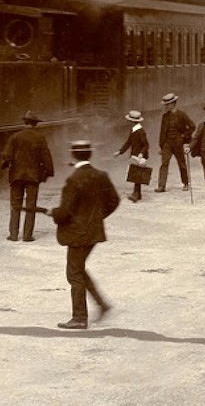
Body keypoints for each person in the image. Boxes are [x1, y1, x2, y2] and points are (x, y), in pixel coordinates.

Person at [51, 139, 120, 328]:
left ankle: (80, 318)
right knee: (78, 268)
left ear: (73, 155)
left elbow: (64, 212)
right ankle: (102, 305)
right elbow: (114, 200)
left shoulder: (73, 180)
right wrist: (97, 217)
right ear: (89, 154)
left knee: (74, 273)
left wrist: (54, 213)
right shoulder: (101, 175)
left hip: (77, 234)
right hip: (93, 232)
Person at [0, 110, 54, 241]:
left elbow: (6, 156)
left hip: (16, 177)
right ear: (35, 124)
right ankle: (27, 235)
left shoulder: (15, 137)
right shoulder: (40, 138)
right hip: (33, 177)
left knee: (15, 204)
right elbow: (46, 157)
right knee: (31, 205)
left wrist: (5, 165)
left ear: (24, 122)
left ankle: (13, 235)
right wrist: (49, 172)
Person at [156, 93, 195, 192]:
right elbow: (162, 131)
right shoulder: (165, 116)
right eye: (165, 104)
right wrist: (161, 146)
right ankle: (161, 186)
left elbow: (192, 126)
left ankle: (186, 183)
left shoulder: (181, 115)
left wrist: (183, 136)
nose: (166, 106)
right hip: (167, 144)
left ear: (173, 104)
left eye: (168, 104)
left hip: (178, 143)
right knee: (164, 164)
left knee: (181, 163)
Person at [117, 110, 151, 202]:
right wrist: (120, 152)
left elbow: (146, 145)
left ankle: (136, 194)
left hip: (140, 156)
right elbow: (128, 143)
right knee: (136, 174)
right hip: (135, 155)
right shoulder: (133, 130)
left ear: (133, 122)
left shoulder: (141, 131)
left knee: (137, 175)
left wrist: (141, 154)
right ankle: (138, 194)